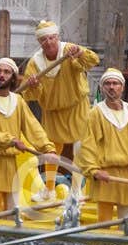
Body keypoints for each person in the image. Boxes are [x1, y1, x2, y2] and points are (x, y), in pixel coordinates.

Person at [21, 20, 99, 191]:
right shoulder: (35, 63)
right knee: (51, 149)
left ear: (57, 37)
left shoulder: (68, 50)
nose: (48, 42)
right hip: (52, 112)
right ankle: (48, 190)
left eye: (51, 38)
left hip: (76, 107)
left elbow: (92, 61)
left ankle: (77, 189)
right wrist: (33, 85)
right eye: (44, 40)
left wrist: (80, 53)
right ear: (39, 42)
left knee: (80, 147)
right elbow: (30, 95)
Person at [0, 56, 55, 214]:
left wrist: (48, 148)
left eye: (7, 72)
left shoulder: (18, 101)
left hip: (11, 163)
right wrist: (12, 141)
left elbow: (33, 127)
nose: (2, 75)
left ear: (13, 77)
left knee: (13, 208)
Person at [77, 68, 128, 224]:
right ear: (102, 88)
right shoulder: (95, 113)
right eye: (108, 84)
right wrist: (94, 170)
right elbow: (88, 145)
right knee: (104, 223)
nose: (112, 87)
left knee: (127, 223)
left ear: (122, 87)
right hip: (106, 176)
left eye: (115, 83)